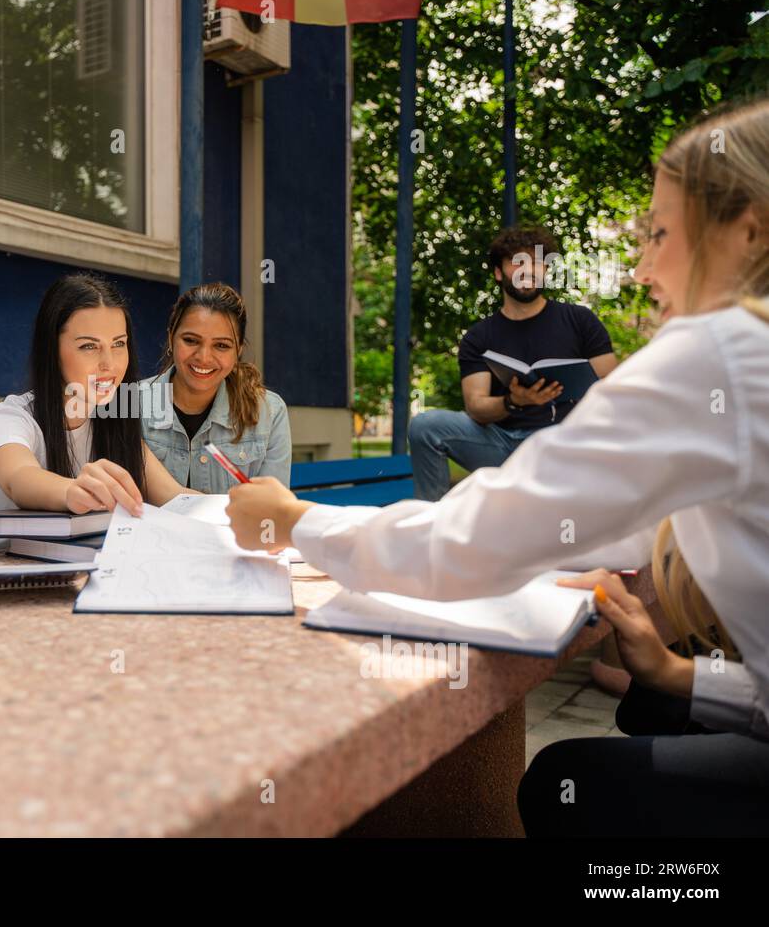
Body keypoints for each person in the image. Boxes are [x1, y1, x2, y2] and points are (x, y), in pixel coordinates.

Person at [224, 99, 769, 834]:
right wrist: (678, 671)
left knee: (560, 782)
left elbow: (473, 545)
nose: (641, 267)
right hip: (517, 450)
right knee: (649, 701)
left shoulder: (722, 354)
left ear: (749, 232)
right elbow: (597, 519)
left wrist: (296, 521)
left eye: (662, 234)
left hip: (516, 470)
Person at [407, 224, 618, 501]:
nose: (528, 271)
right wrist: (514, 401)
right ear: (498, 273)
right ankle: (429, 524)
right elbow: (477, 407)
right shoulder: (478, 337)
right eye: (518, 262)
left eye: (537, 263)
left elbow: (613, 387)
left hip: (561, 444)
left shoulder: (579, 320)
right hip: (502, 445)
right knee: (425, 426)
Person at [0, 272, 189, 514]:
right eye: (89, 346)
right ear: (52, 349)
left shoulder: (114, 421)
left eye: (118, 344)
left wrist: (232, 505)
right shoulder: (8, 418)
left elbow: (175, 497)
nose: (109, 364)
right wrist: (75, 490)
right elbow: (19, 479)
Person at [140, 282, 291, 491]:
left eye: (221, 345)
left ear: (238, 350)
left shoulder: (270, 412)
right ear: (171, 337)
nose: (203, 357)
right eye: (191, 340)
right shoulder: (130, 404)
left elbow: (270, 509)